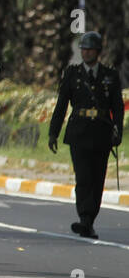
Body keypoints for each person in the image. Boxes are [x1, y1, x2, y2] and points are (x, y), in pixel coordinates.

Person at [48, 31, 124, 239]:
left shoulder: (110, 75)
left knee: (97, 179)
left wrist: (118, 130)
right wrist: (53, 133)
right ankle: (84, 218)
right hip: (79, 132)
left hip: (101, 132)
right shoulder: (72, 74)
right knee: (83, 177)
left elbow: (118, 107)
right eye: (83, 49)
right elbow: (62, 105)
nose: (86, 52)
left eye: (90, 49)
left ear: (98, 52)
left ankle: (90, 220)